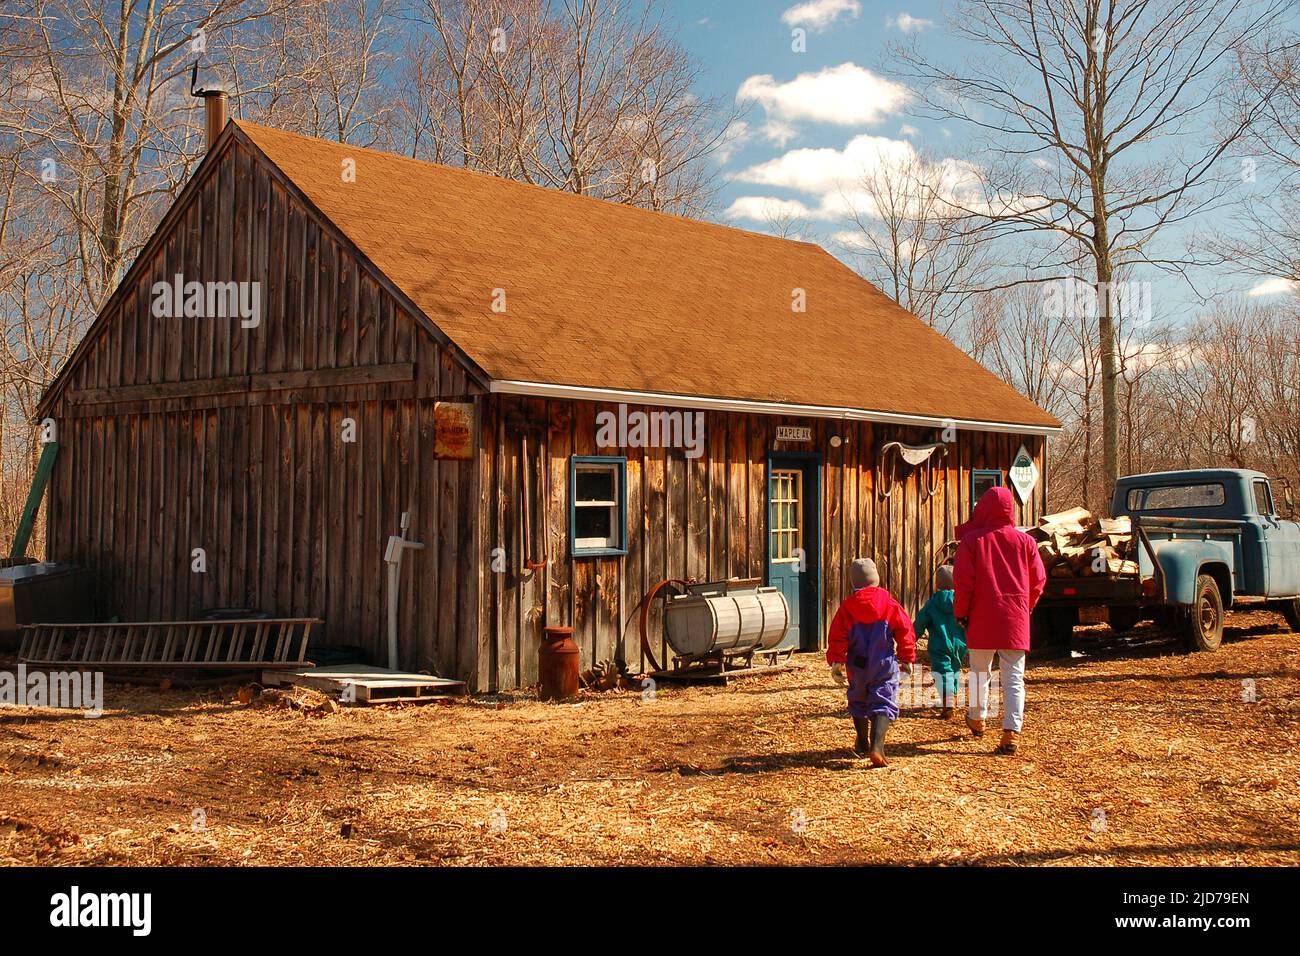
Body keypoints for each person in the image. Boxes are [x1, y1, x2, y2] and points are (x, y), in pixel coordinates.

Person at [953, 486, 1047, 755]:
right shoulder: (1026, 542)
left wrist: (961, 612)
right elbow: (1038, 580)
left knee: (980, 672)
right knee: (1014, 678)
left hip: (982, 616)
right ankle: (1011, 731)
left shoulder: (972, 541)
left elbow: (964, 583)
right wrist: (1025, 606)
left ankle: (978, 717)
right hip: (1015, 617)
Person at [827, 558, 917, 766]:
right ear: (875, 579)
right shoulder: (889, 603)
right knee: (883, 699)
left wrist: (837, 662)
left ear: (854, 582)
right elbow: (905, 631)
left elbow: (837, 636)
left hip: (857, 664)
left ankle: (861, 740)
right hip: (882, 662)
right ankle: (877, 747)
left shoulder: (847, 607)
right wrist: (907, 658)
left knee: (858, 698)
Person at [914, 564, 966, 719]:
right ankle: (953, 697)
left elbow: (920, 623)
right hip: (961, 644)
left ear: (937, 584)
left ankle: (948, 699)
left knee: (943, 671)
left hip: (939, 645)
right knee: (955, 669)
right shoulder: (962, 602)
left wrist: (911, 638)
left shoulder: (932, 603)